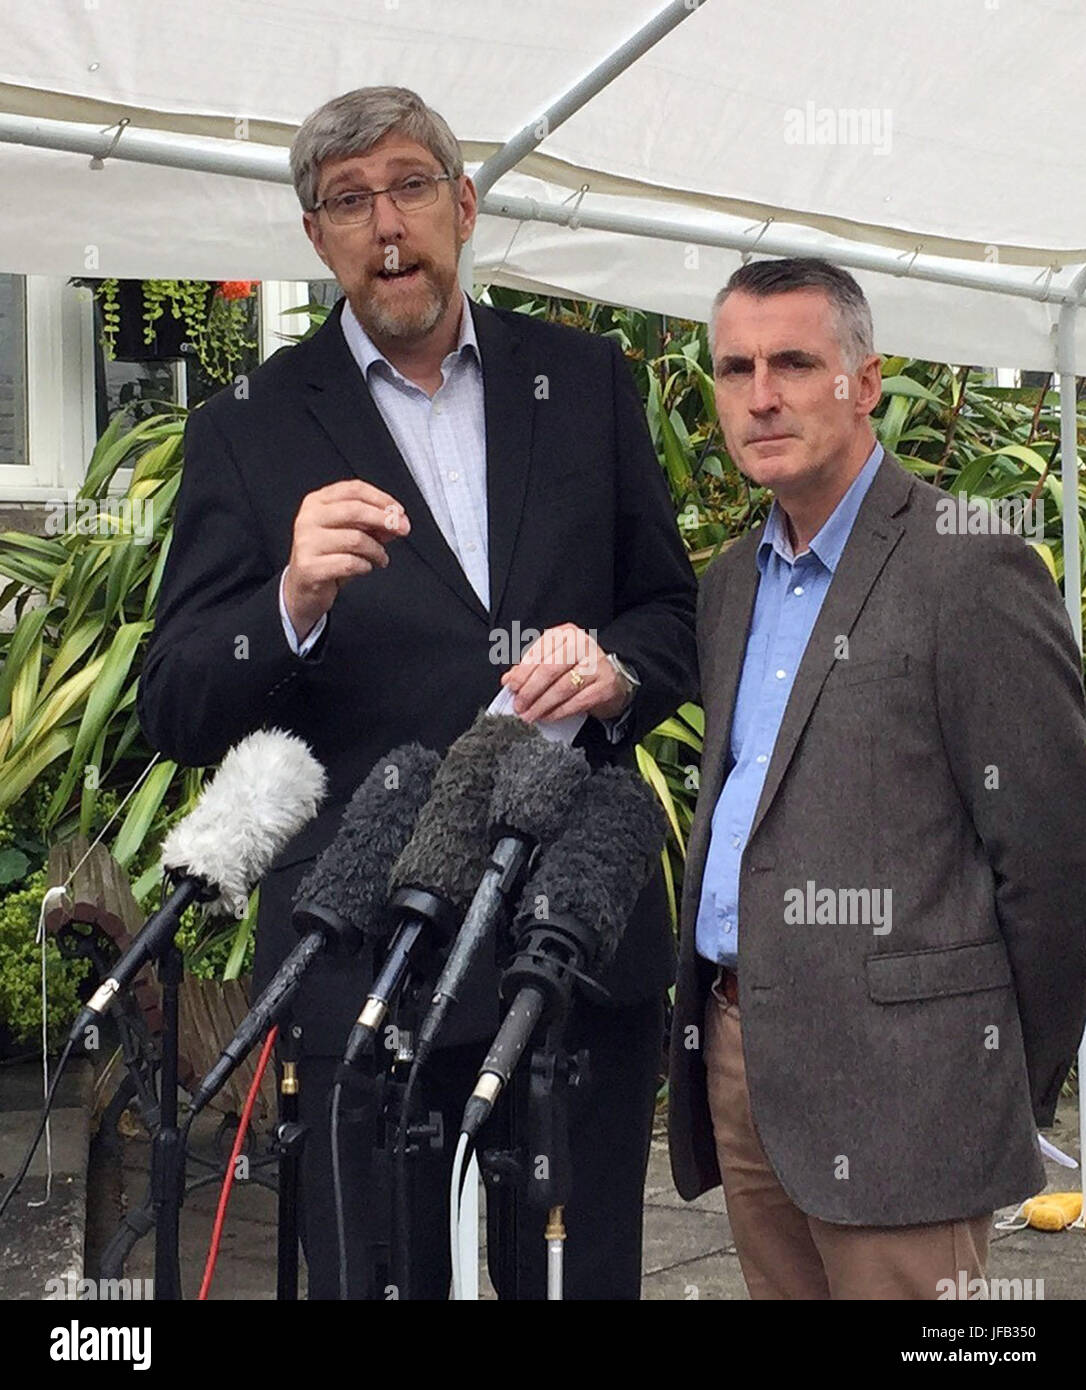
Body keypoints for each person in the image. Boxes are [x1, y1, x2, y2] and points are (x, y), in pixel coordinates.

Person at [137, 85, 697, 1299]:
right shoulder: (249, 427)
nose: (386, 224)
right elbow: (175, 699)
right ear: (315, 235)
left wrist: (616, 676)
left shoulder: (585, 380)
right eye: (349, 201)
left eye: (408, 186)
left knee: (577, 1285)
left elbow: (670, 616)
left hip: (569, 945)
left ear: (465, 201)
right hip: (364, 970)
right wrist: (287, 599)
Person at [667, 255, 1086, 1299]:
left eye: (795, 363)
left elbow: (1058, 852)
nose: (760, 395)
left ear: (865, 380)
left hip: (914, 1091)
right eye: (735, 368)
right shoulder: (727, 587)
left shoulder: (967, 563)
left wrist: (993, 1076)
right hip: (742, 1063)